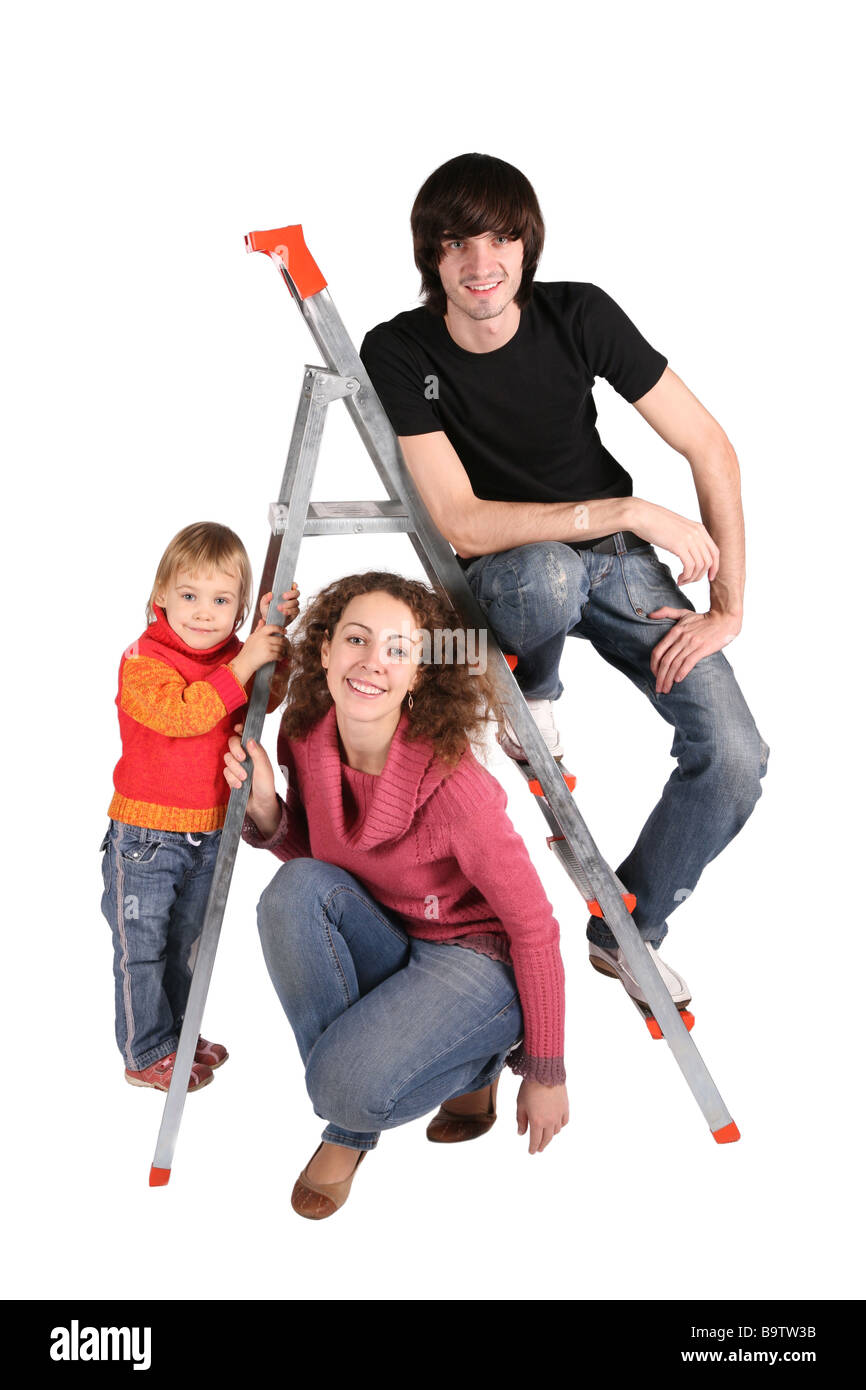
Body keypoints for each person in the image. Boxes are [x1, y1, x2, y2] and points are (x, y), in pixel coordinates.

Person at [359, 151, 769, 1014]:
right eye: (459, 243)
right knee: (546, 576)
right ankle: (533, 690)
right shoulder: (398, 348)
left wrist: (729, 607)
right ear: (431, 255)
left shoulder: (579, 314)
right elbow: (462, 522)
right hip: (507, 581)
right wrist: (627, 504)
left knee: (735, 757)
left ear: (527, 246)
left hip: (620, 566)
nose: (482, 264)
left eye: (502, 239)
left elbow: (710, 446)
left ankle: (629, 929)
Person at [227, 571, 568, 1220]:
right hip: (394, 935)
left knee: (340, 1086)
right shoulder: (304, 737)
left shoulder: (455, 786)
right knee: (292, 890)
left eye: (397, 650)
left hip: (479, 958)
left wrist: (547, 1070)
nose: (371, 662)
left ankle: (460, 1072)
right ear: (324, 649)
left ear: (419, 676)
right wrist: (268, 809)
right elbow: (328, 863)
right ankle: (358, 1095)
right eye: (356, 639)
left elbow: (534, 927)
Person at [100, 521, 298, 1093]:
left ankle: (177, 1036)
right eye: (189, 596)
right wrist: (244, 661)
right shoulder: (143, 660)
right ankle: (144, 1051)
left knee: (188, 945)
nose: (204, 613)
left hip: (211, 832)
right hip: (146, 838)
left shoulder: (236, 653)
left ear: (237, 609)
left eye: (220, 600)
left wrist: (272, 637)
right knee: (142, 949)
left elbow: (265, 695)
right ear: (161, 594)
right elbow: (185, 714)